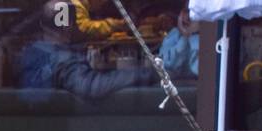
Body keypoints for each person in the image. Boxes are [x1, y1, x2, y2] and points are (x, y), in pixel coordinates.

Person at [17, 1, 157, 100]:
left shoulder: (28, 54)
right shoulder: (63, 61)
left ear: (42, 24)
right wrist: (148, 74)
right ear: (70, 25)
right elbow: (92, 87)